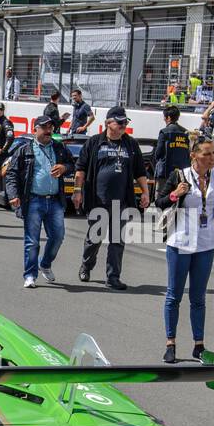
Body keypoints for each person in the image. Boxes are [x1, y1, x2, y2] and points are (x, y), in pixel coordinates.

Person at [156, 137, 214, 362]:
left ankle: (199, 345)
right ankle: (171, 343)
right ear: (193, 155)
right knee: (174, 296)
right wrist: (175, 194)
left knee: (198, 298)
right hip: (180, 242)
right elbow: (160, 202)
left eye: (213, 153)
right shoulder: (180, 175)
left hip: (206, 243)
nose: (211, 158)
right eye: (206, 154)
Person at [72, 106, 148, 290]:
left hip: (121, 202)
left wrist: (145, 192)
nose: (123, 126)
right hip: (98, 200)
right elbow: (80, 169)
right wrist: (77, 190)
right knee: (94, 238)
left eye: (125, 122)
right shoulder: (95, 142)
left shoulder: (130, 144)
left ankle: (113, 277)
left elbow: (140, 171)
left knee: (117, 241)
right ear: (107, 123)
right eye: (120, 122)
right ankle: (86, 266)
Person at [6, 114, 74, 288]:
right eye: (44, 127)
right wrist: (13, 195)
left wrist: (65, 167)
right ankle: (30, 275)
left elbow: (72, 165)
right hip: (33, 200)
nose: (48, 131)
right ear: (34, 129)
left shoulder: (59, 148)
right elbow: (12, 173)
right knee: (32, 241)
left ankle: (45, 264)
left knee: (58, 236)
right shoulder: (24, 149)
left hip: (55, 201)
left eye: (50, 127)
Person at [151, 106, 190, 183]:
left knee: (162, 194)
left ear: (168, 118)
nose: (164, 119)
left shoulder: (164, 132)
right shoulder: (185, 132)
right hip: (182, 174)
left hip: (165, 173)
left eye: (164, 117)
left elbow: (158, 153)